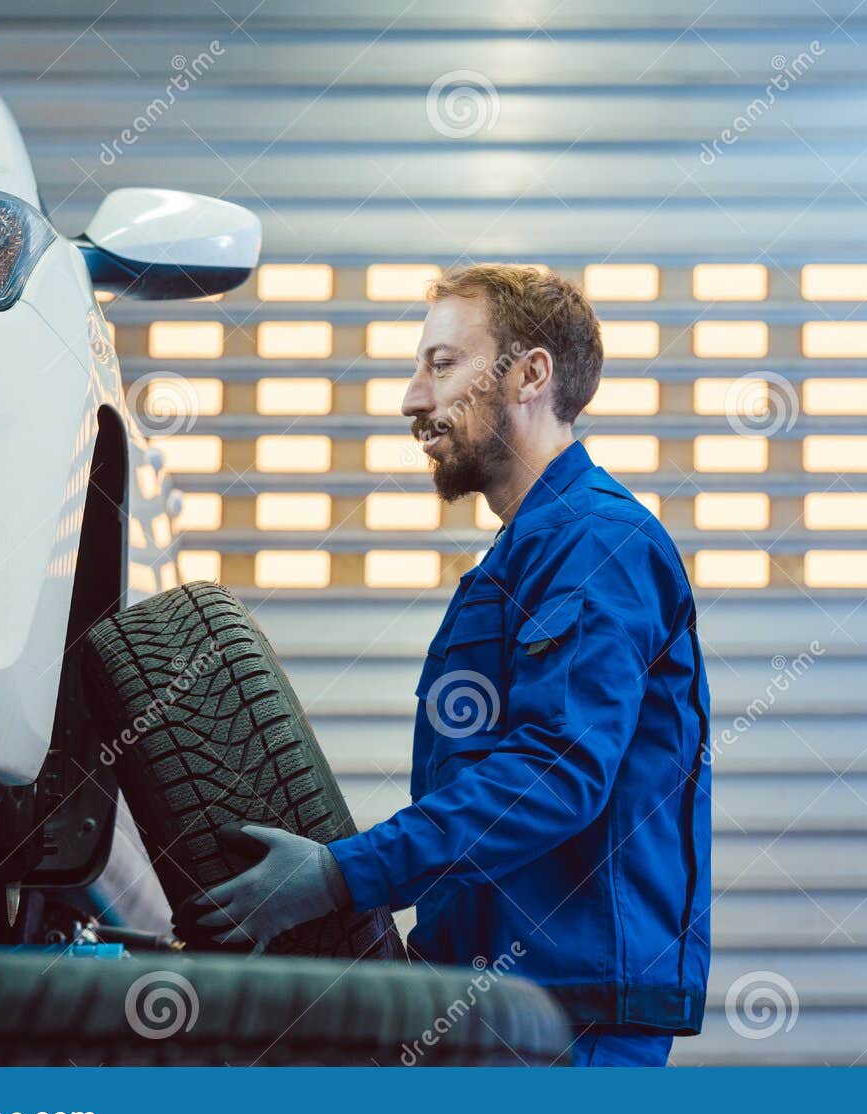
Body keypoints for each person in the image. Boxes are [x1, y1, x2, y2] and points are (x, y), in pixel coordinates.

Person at [186, 264, 711, 1067]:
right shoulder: (524, 556)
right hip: (491, 1010)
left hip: (567, 1025)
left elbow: (555, 772)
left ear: (530, 374)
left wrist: (340, 876)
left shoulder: (596, 544)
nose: (411, 399)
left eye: (441, 364)